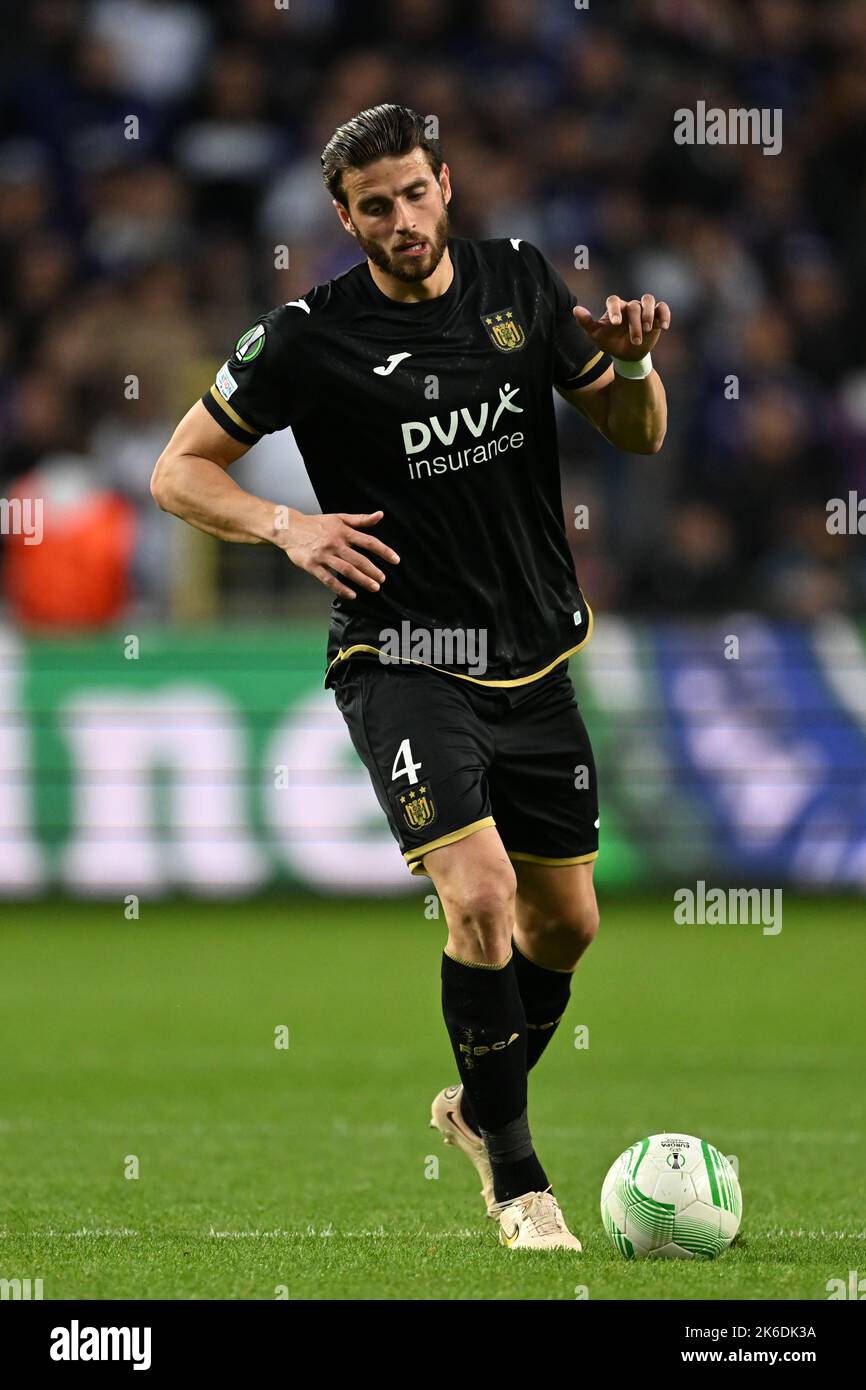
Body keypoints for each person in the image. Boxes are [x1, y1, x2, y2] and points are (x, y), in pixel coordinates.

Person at [151, 103, 669, 1250]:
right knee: (478, 895)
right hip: (400, 659)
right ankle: (521, 1182)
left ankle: (474, 1106)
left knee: (567, 923)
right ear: (343, 218)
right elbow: (178, 472)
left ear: (446, 184)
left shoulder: (520, 283)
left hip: (533, 660)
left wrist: (631, 368)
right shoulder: (304, 337)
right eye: (372, 206)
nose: (400, 220)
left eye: (414, 193)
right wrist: (285, 527)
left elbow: (634, 432)